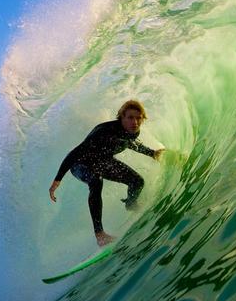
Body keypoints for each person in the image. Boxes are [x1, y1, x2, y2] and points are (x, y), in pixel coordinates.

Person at [49, 100, 164, 246]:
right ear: (121, 117)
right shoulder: (104, 131)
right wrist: (57, 180)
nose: (135, 122)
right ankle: (100, 235)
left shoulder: (133, 131)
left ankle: (130, 204)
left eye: (138, 117)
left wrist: (152, 153)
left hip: (103, 161)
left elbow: (129, 143)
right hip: (80, 163)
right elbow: (74, 153)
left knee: (137, 182)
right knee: (96, 181)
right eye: (130, 117)